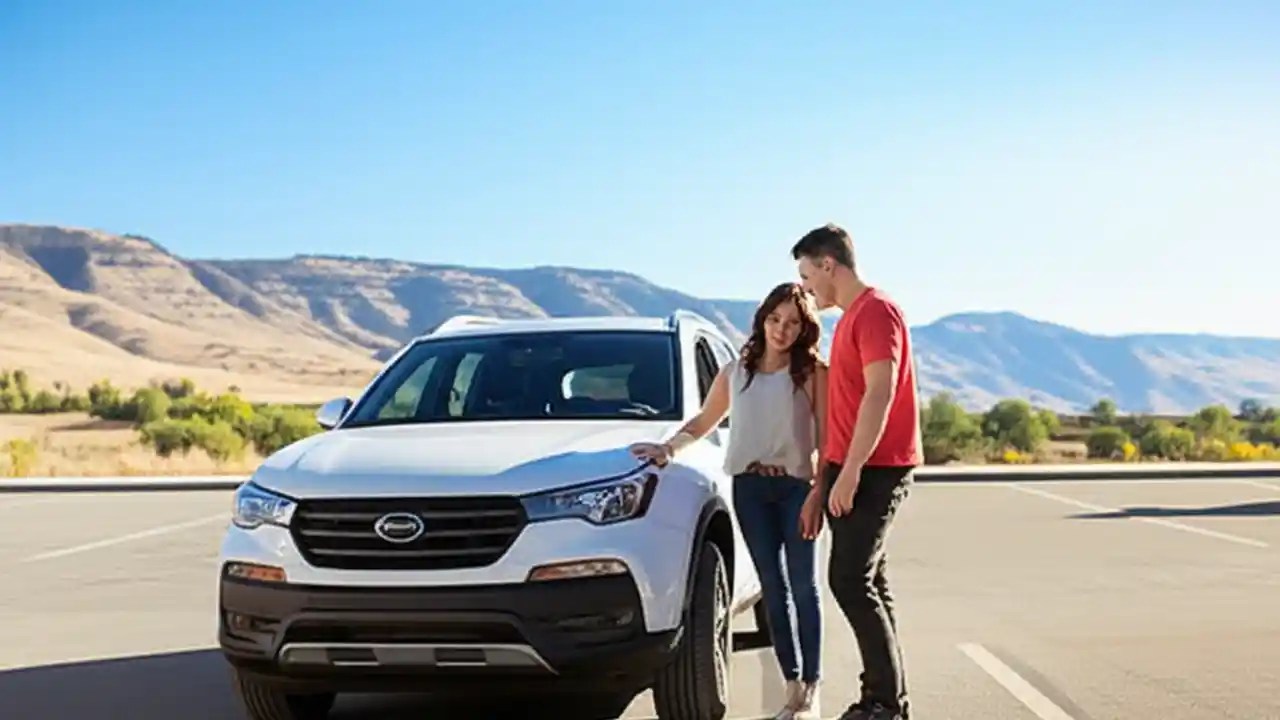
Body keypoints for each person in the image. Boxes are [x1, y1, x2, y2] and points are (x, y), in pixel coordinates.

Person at [630, 282, 828, 720]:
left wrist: (819, 492)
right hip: (751, 491)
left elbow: (830, 441)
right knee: (772, 589)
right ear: (763, 319)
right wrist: (668, 449)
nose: (782, 330)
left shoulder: (813, 372)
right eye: (775, 319)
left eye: (793, 323)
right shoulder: (736, 372)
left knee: (803, 586)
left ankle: (812, 687)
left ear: (804, 329)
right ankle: (793, 688)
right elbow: (703, 421)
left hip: (798, 490)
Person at [791, 223, 921, 720]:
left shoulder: (876, 312)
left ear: (829, 265)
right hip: (852, 467)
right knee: (869, 582)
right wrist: (827, 477)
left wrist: (852, 475)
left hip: (876, 469)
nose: (806, 287)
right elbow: (841, 414)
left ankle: (883, 703)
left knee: (849, 580)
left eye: (807, 275)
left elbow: (880, 393)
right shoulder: (848, 319)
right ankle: (887, 701)